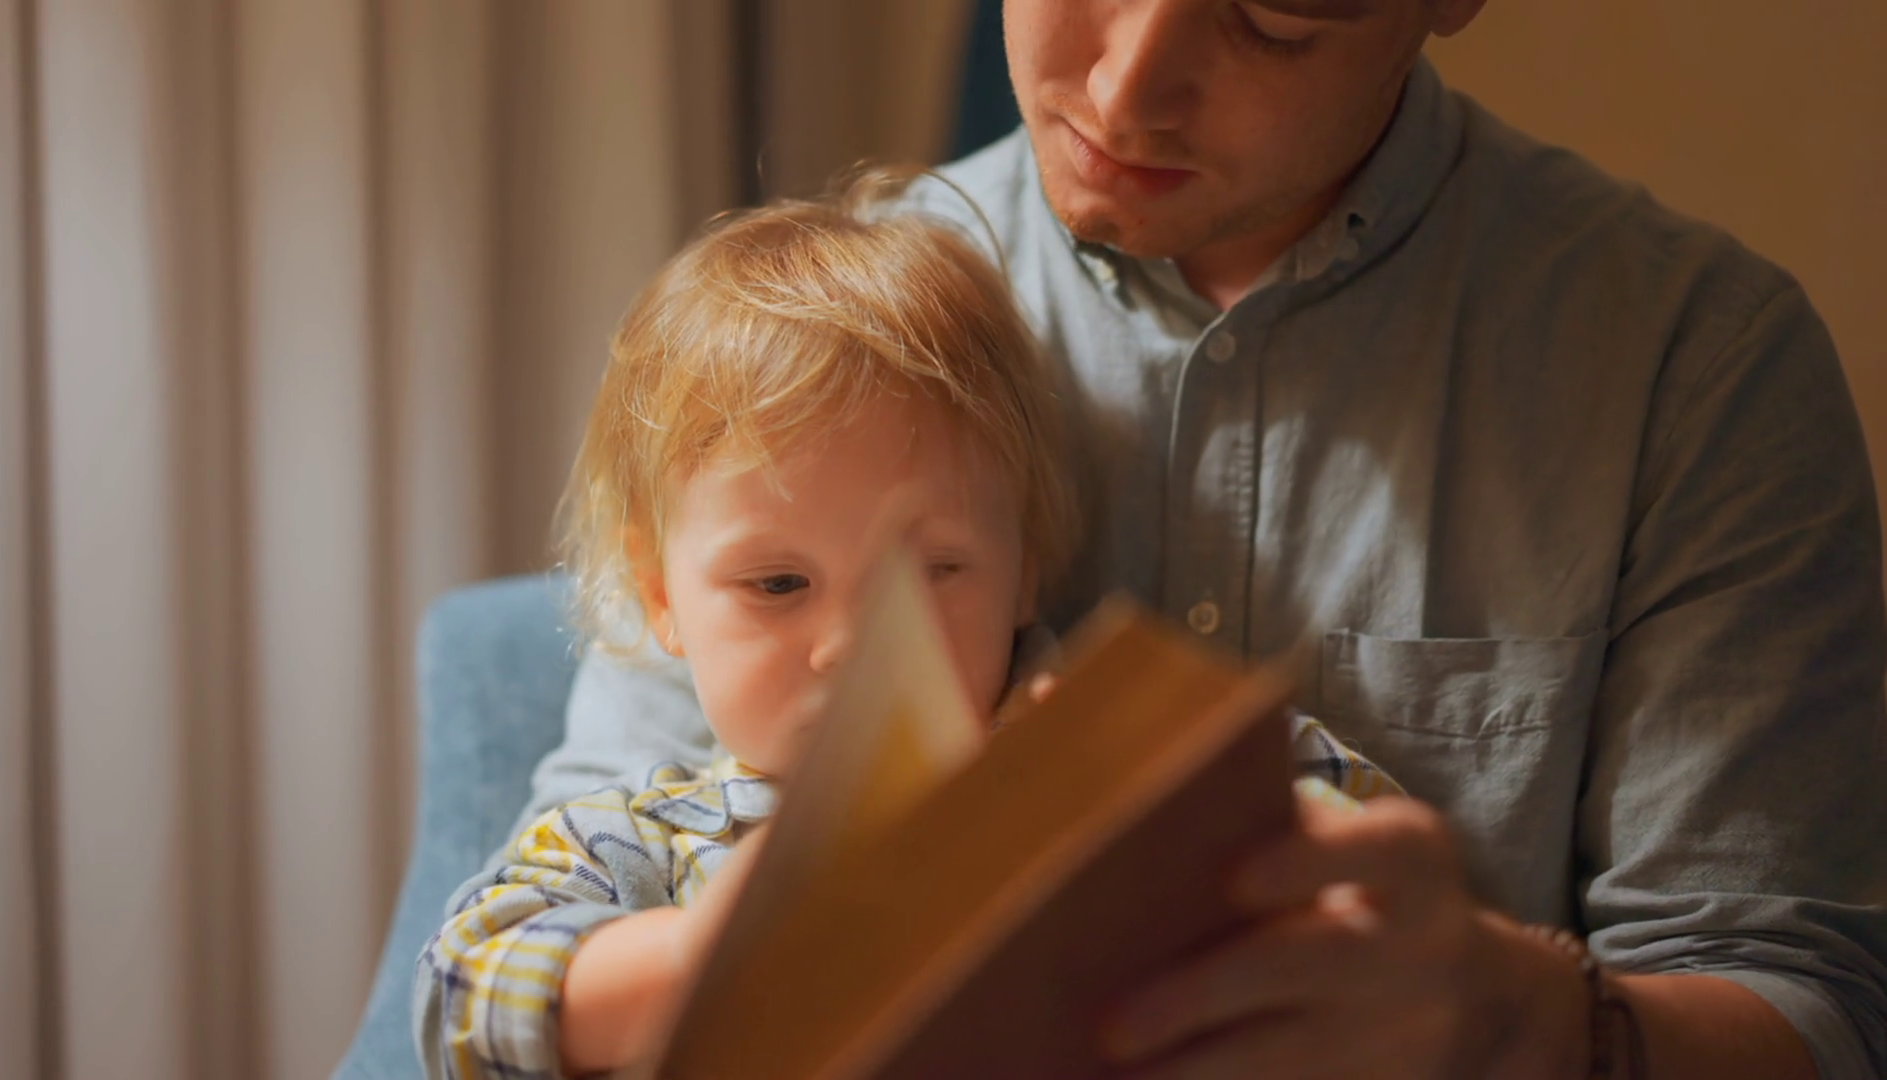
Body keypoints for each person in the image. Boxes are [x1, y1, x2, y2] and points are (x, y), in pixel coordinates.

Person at [513, 3, 1887, 1078]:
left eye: (1275, 17)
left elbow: (1810, 1013)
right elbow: (530, 953)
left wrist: (1526, 1017)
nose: (1124, 90)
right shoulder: (798, 342)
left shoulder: (1695, 368)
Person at [412, 178, 1402, 1079]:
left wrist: (1186, 836)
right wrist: (692, 965)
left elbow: (1371, 850)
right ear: (660, 598)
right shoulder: (642, 839)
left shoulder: (1101, 752)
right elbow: (459, 990)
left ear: (1024, 568)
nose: (850, 645)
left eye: (933, 573)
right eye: (778, 583)